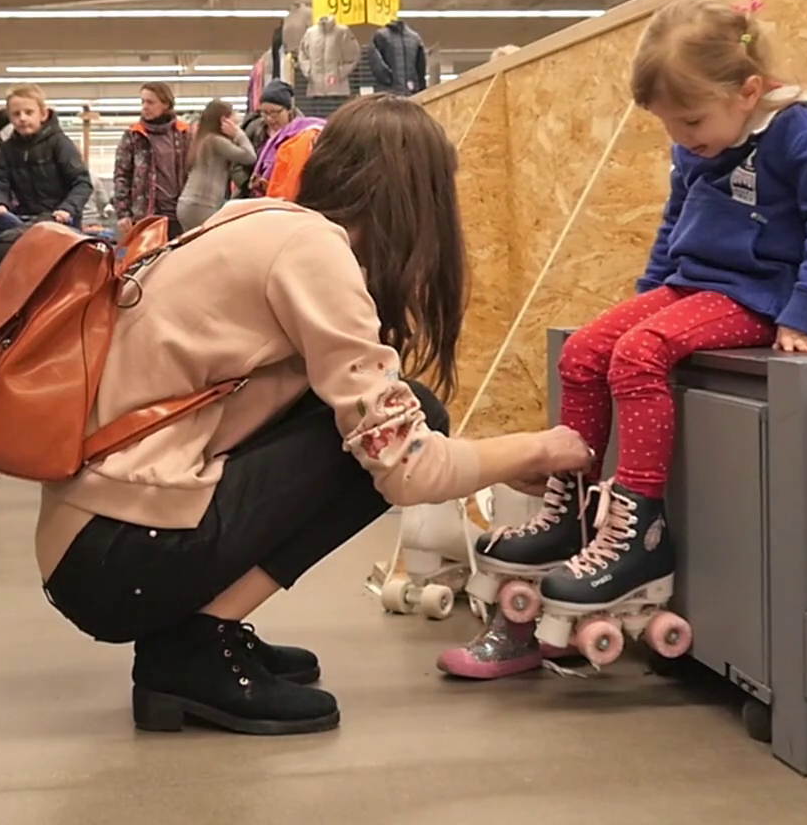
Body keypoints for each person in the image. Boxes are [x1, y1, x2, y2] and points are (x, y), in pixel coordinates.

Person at [37, 95, 597, 736]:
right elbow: (406, 466)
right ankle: (191, 649)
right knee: (409, 426)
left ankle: (194, 635)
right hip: (119, 557)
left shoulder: (261, 221)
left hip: (97, 539)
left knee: (376, 420)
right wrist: (537, 450)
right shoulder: (315, 255)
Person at [441, 0, 807, 678]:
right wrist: (646, 299)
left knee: (640, 357)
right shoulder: (701, 139)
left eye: (692, 120)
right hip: (692, 286)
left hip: (758, 295)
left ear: (749, 90)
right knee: (586, 350)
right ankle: (570, 514)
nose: (684, 138)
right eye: (671, 125)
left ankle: (638, 532)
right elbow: (675, 223)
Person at [0, 84, 92, 234]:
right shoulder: (8, 149)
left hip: (61, 223)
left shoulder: (60, 143)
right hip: (24, 221)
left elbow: (82, 182)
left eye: (29, 112)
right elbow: (0, 183)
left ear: (43, 114)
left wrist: (67, 209)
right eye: (16, 114)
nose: (22, 118)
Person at [113, 82, 194, 238]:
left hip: (180, 214)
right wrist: (123, 213)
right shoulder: (134, 135)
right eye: (142, 102)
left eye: (150, 102)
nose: (145, 107)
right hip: (145, 216)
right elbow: (121, 175)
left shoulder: (184, 133)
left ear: (166, 104)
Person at [175, 99, 257, 232]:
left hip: (188, 204)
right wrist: (238, 134)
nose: (237, 121)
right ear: (224, 120)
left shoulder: (202, 140)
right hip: (203, 205)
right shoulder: (216, 141)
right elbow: (249, 156)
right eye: (233, 117)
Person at [247, 80, 322, 199]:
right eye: (264, 113)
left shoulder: (304, 134)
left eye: (275, 113)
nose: (269, 118)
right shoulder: (255, 131)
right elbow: (238, 166)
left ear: (288, 110)